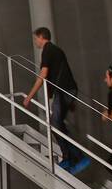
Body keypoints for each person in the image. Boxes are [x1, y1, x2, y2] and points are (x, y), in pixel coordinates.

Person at [22, 27, 89, 173]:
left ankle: (74, 157)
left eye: (35, 39)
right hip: (67, 90)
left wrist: (29, 96)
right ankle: (72, 157)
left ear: (41, 37)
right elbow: (60, 72)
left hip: (64, 90)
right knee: (57, 123)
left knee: (54, 122)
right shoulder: (55, 50)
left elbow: (44, 74)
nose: (35, 42)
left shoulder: (47, 49)